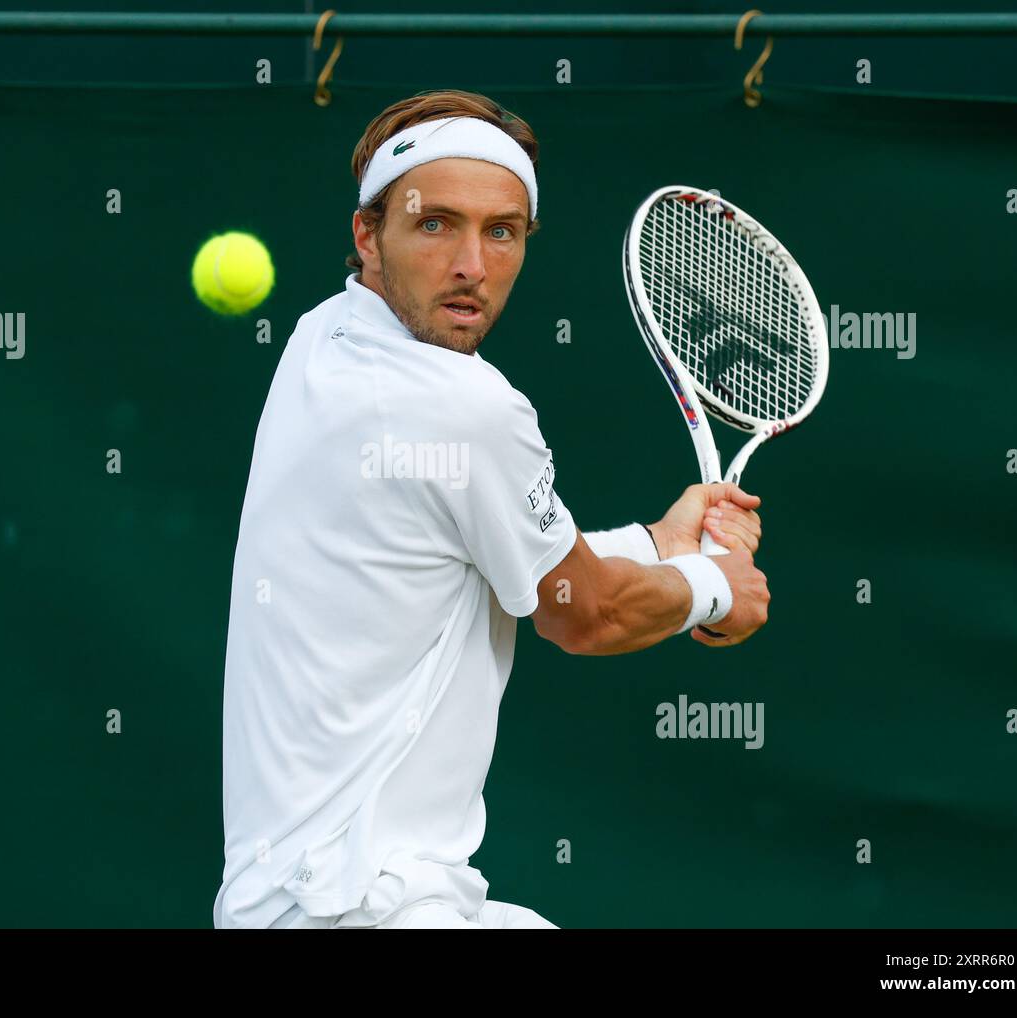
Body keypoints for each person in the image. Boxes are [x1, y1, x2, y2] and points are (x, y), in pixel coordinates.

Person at [214, 90, 769, 930]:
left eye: (500, 231)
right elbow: (582, 613)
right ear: (369, 235)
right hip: (364, 909)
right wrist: (717, 588)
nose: (472, 262)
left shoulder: (319, 341)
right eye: (435, 224)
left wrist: (661, 542)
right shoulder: (464, 407)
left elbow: (492, 559)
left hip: (305, 904)